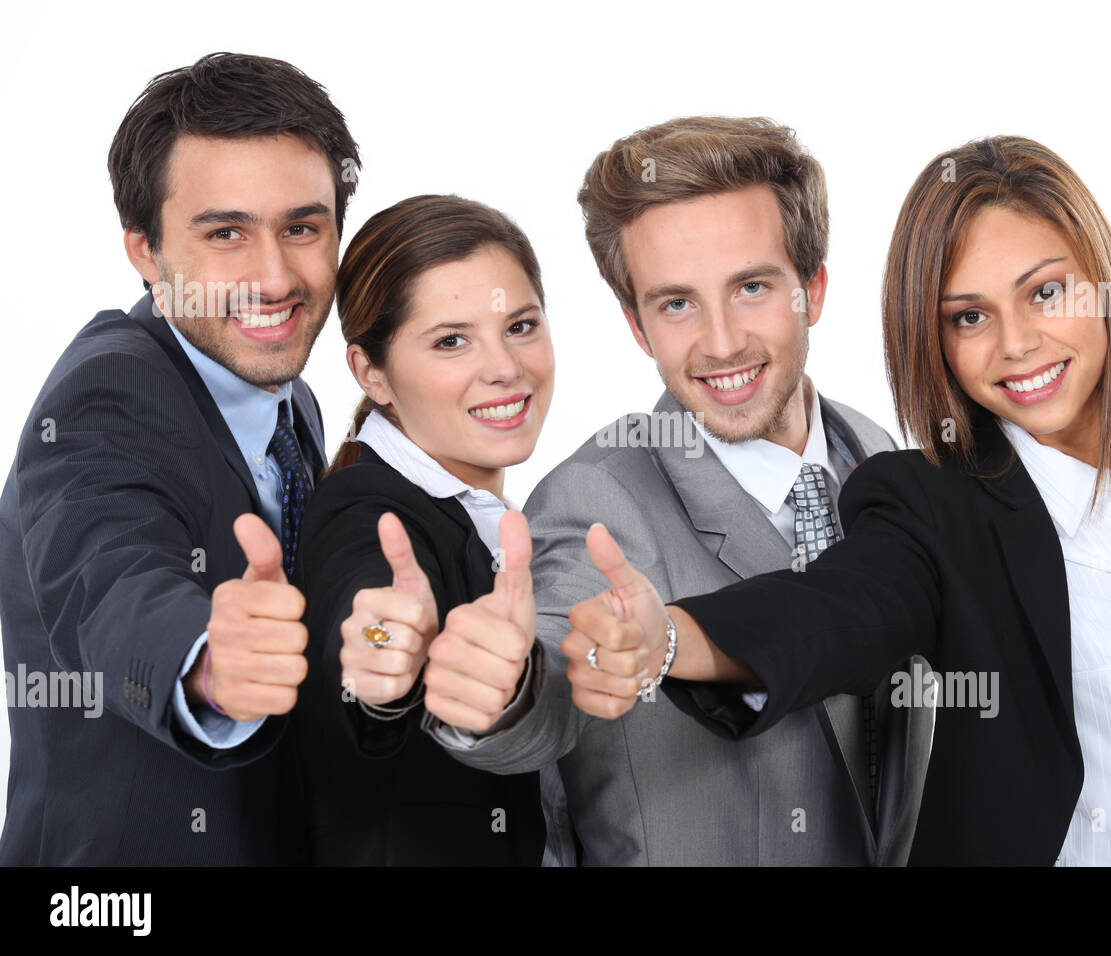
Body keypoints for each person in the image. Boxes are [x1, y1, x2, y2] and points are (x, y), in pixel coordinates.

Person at [564, 135, 1111, 866]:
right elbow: (833, 608)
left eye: (1045, 292)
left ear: (1103, 280)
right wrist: (670, 640)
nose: (1017, 344)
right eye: (969, 317)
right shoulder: (938, 502)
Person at [411, 116, 901, 865]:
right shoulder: (597, 497)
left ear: (814, 289)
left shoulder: (874, 452)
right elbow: (553, 678)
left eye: (751, 287)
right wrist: (503, 690)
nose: (722, 341)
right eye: (676, 304)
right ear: (638, 326)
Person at [0, 53, 359, 864]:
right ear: (144, 249)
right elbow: (107, 575)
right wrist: (200, 660)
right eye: (225, 232)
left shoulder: (281, 395)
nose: (275, 278)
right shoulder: (105, 395)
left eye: (302, 227)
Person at [289, 195, 550, 865]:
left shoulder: (480, 510)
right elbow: (367, 613)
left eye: (520, 326)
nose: (505, 368)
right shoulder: (366, 515)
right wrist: (381, 647)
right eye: (451, 341)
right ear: (371, 372)